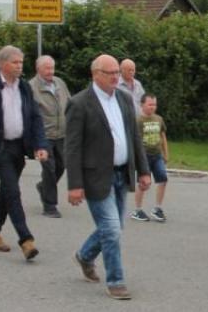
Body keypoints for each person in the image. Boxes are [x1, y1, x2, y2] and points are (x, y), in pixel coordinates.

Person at [67, 54, 152, 299]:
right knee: (112, 229)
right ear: (96, 74)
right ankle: (115, 280)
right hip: (95, 176)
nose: (116, 76)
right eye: (110, 72)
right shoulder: (80, 103)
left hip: (121, 173)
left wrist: (144, 171)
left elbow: (134, 137)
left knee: (114, 227)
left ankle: (84, 255)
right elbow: (72, 147)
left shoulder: (125, 99)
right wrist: (74, 185)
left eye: (117, 72)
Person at [0, 45, 49, 260]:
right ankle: (26, 239)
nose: (19, 66)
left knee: (6, 192)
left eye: (21, 62)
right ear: (3, 64)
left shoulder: (23, 87)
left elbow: (34, 117)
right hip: (0, 148)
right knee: (13, 192)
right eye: (15, 62)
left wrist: (40, 145)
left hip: (19, 147)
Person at [29, 55, 70, 218]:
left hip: (61, 133)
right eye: (47, 68)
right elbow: (30, 114)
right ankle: (50, 206)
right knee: (50, 169)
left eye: (52, 68)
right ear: (38, 68)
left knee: (61, 166)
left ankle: (43, 187)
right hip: (43, 135)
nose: (50, 71)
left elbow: (70, 102)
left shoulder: (60, 83)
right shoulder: (31, 87)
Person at [131, 94, 170, 222]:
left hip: (157, 155)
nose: (153, 107)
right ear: (142, 105)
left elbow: (163, 136)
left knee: (163, 179)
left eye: (154, 104)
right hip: (144, 156)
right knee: (143, 183)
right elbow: (134, 140)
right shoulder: (138, 121)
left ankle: (157, 208)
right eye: (150, 104)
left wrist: (166, 153)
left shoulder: (159, 119)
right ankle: (137, 210)